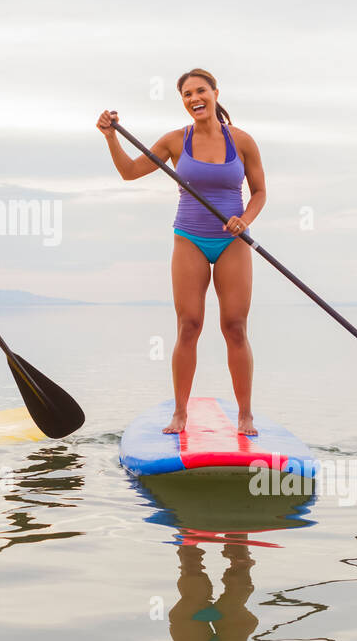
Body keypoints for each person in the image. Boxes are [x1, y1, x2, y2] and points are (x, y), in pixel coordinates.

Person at [96, 68, 267, 436]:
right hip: (189, 237)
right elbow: (129, 172)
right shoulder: (175, 141)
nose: (194, 99)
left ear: (216, 93)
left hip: (232, 241)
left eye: (200, 91)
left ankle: (246, 415)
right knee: (189, 325)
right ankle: (179, 413)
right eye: (187, 94)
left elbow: (259, 192)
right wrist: (111, 137)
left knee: (234, 326)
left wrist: (244, 218)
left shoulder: (243, 141)